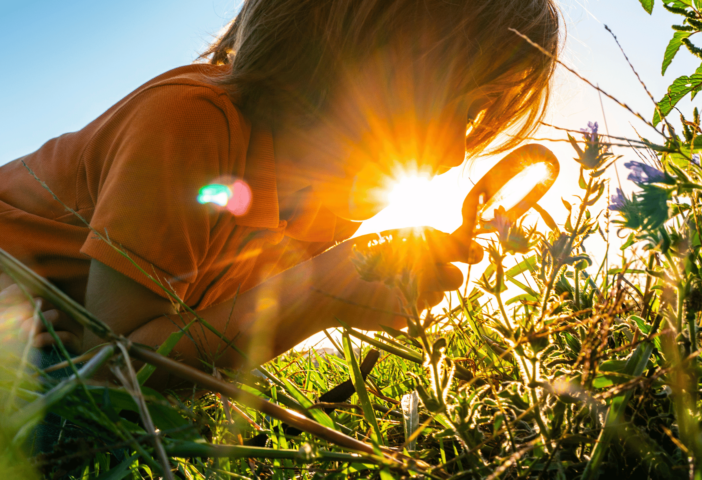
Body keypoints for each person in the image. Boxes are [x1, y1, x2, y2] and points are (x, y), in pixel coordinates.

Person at [0, 0, 560, 391]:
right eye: (464, 108)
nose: (463, 152)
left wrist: (340, 294)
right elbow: (117, 364)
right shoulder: (190, 125)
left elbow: (208, 342)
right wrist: (317, 294)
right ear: (363, 60)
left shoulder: (335, 203)